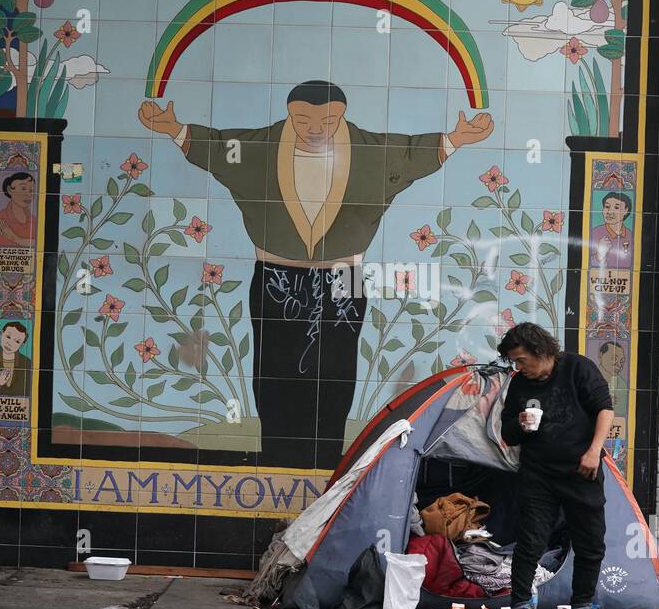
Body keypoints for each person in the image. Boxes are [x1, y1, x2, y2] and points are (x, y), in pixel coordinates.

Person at [139, 80, 495, 468]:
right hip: (276, 272)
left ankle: (327, 459)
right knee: (274, 370)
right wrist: (175, 130)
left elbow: (411, 153)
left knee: (337, 370)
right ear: (290, 115)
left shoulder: (371, 152)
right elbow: (220, 148)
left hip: (347, 274)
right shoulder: (261, 148)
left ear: (341, 116)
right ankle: (278, 456)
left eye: (327, 119)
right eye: (302, 118)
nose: (314, 128)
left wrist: (457, 138)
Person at [497, 322, 617, 609]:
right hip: (539, 475)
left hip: (582, 470)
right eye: (514, 362)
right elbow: (506, 434)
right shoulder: (520, 384)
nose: (518, 367)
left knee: (591, 543)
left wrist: (594, 452)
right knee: (530, 542)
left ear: (541, 351)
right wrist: (520, 425)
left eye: (521, 360)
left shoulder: (578, 368)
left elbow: (605, 409)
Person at [591, 191, 634, 270]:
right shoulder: (593, 233)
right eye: (607, 207)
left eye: (616, 208)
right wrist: (599, 255)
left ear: (625, 210)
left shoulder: (632, 236)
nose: (609, 212)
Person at [0, 321, 31, 397]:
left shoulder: (27, 363)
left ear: (21, 345)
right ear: (1, 333)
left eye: (17, 341)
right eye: (8, 337)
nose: (10, 343)